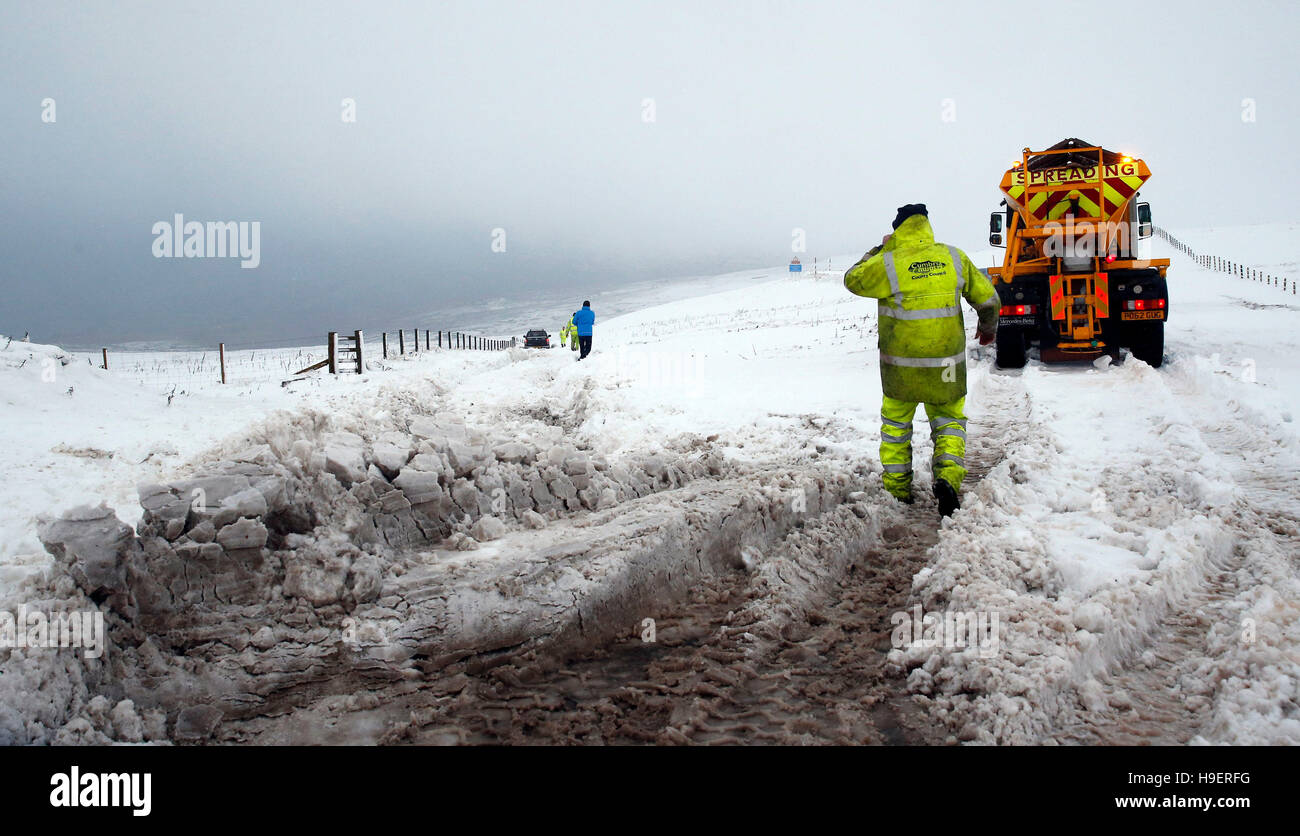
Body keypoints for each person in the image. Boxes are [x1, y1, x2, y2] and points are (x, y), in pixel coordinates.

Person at [843, 204, 1000, 517]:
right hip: (945, 368)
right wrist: (987, 328)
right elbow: (989, 300)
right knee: (950, 424)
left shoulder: (888, 262)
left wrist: (879, 248)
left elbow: (852, 279)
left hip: (901, 371)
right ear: (927, 226)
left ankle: (898, 491)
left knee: (896, 428)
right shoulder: (953, 257)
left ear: (899, 228)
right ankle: (947, 478)